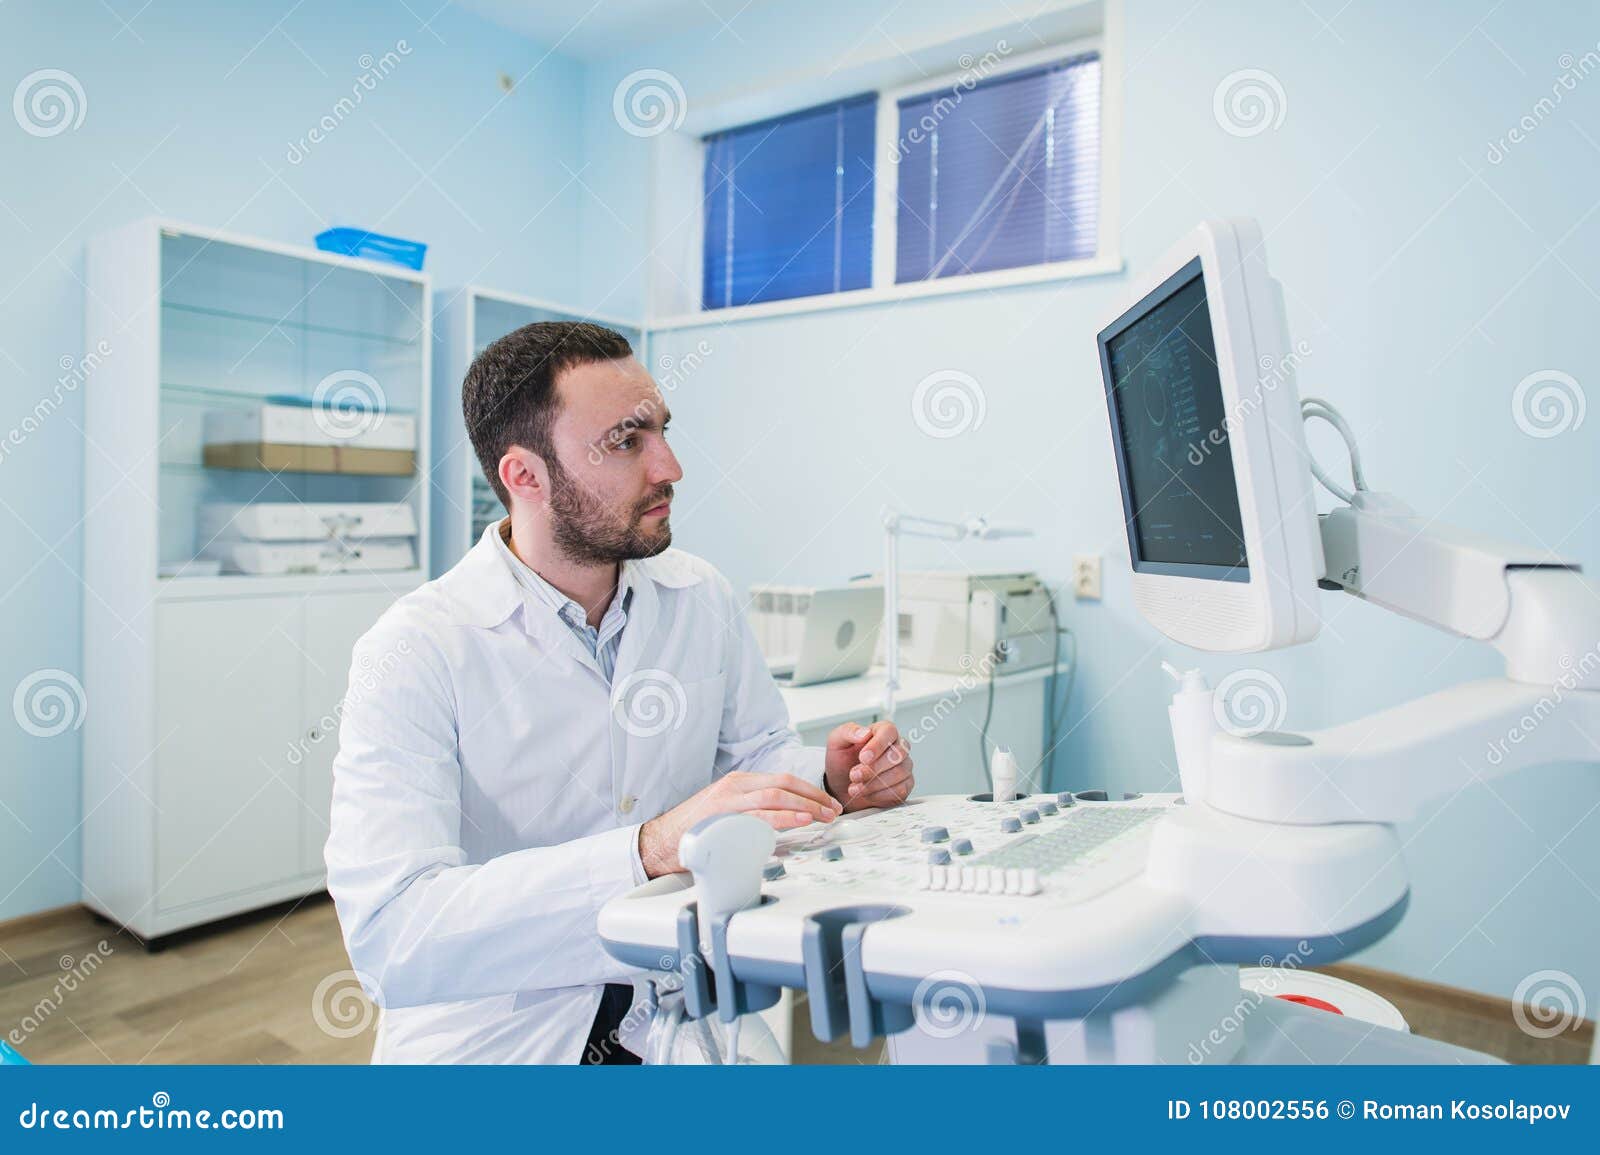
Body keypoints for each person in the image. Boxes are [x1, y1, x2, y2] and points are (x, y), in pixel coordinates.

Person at [325, 321, 914, 1064]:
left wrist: (831, 778)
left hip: (677, 1004)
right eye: (625, 441)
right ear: (525, 476)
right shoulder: (415, 649)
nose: (670, 466)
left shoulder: (698, 595)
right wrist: (646, 851)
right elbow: (392, 934)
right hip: (503, 1038)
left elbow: (755, 754)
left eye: (662, 431)